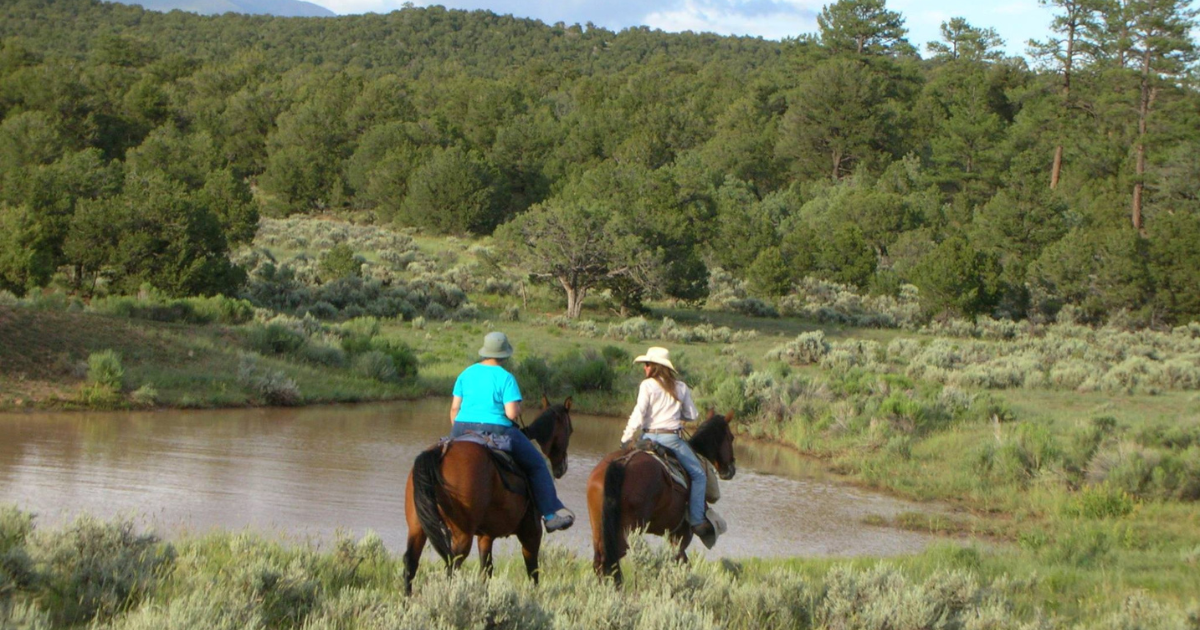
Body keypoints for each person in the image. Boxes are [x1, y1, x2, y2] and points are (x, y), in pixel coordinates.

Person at [449, 331, 575, 532]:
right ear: (504, 355)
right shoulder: (506, 377)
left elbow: (454, 409)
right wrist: (517, 409)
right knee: (539, 464)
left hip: (461, 428)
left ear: (485, 351)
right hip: (497, 429)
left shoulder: (466, 373)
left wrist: (461, 428)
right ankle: (550, 515)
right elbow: (510, 414)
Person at [620, 346, 712, 538]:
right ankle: (696, 519)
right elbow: (693, 414)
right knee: (698, 475)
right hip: (671, 439)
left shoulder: (647, 386)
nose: (644, 368)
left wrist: (626, 437)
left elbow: (639, 413)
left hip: (647, 438)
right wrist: (678, 415)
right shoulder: (681, 387)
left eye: (647, 364)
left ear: (655, 367)